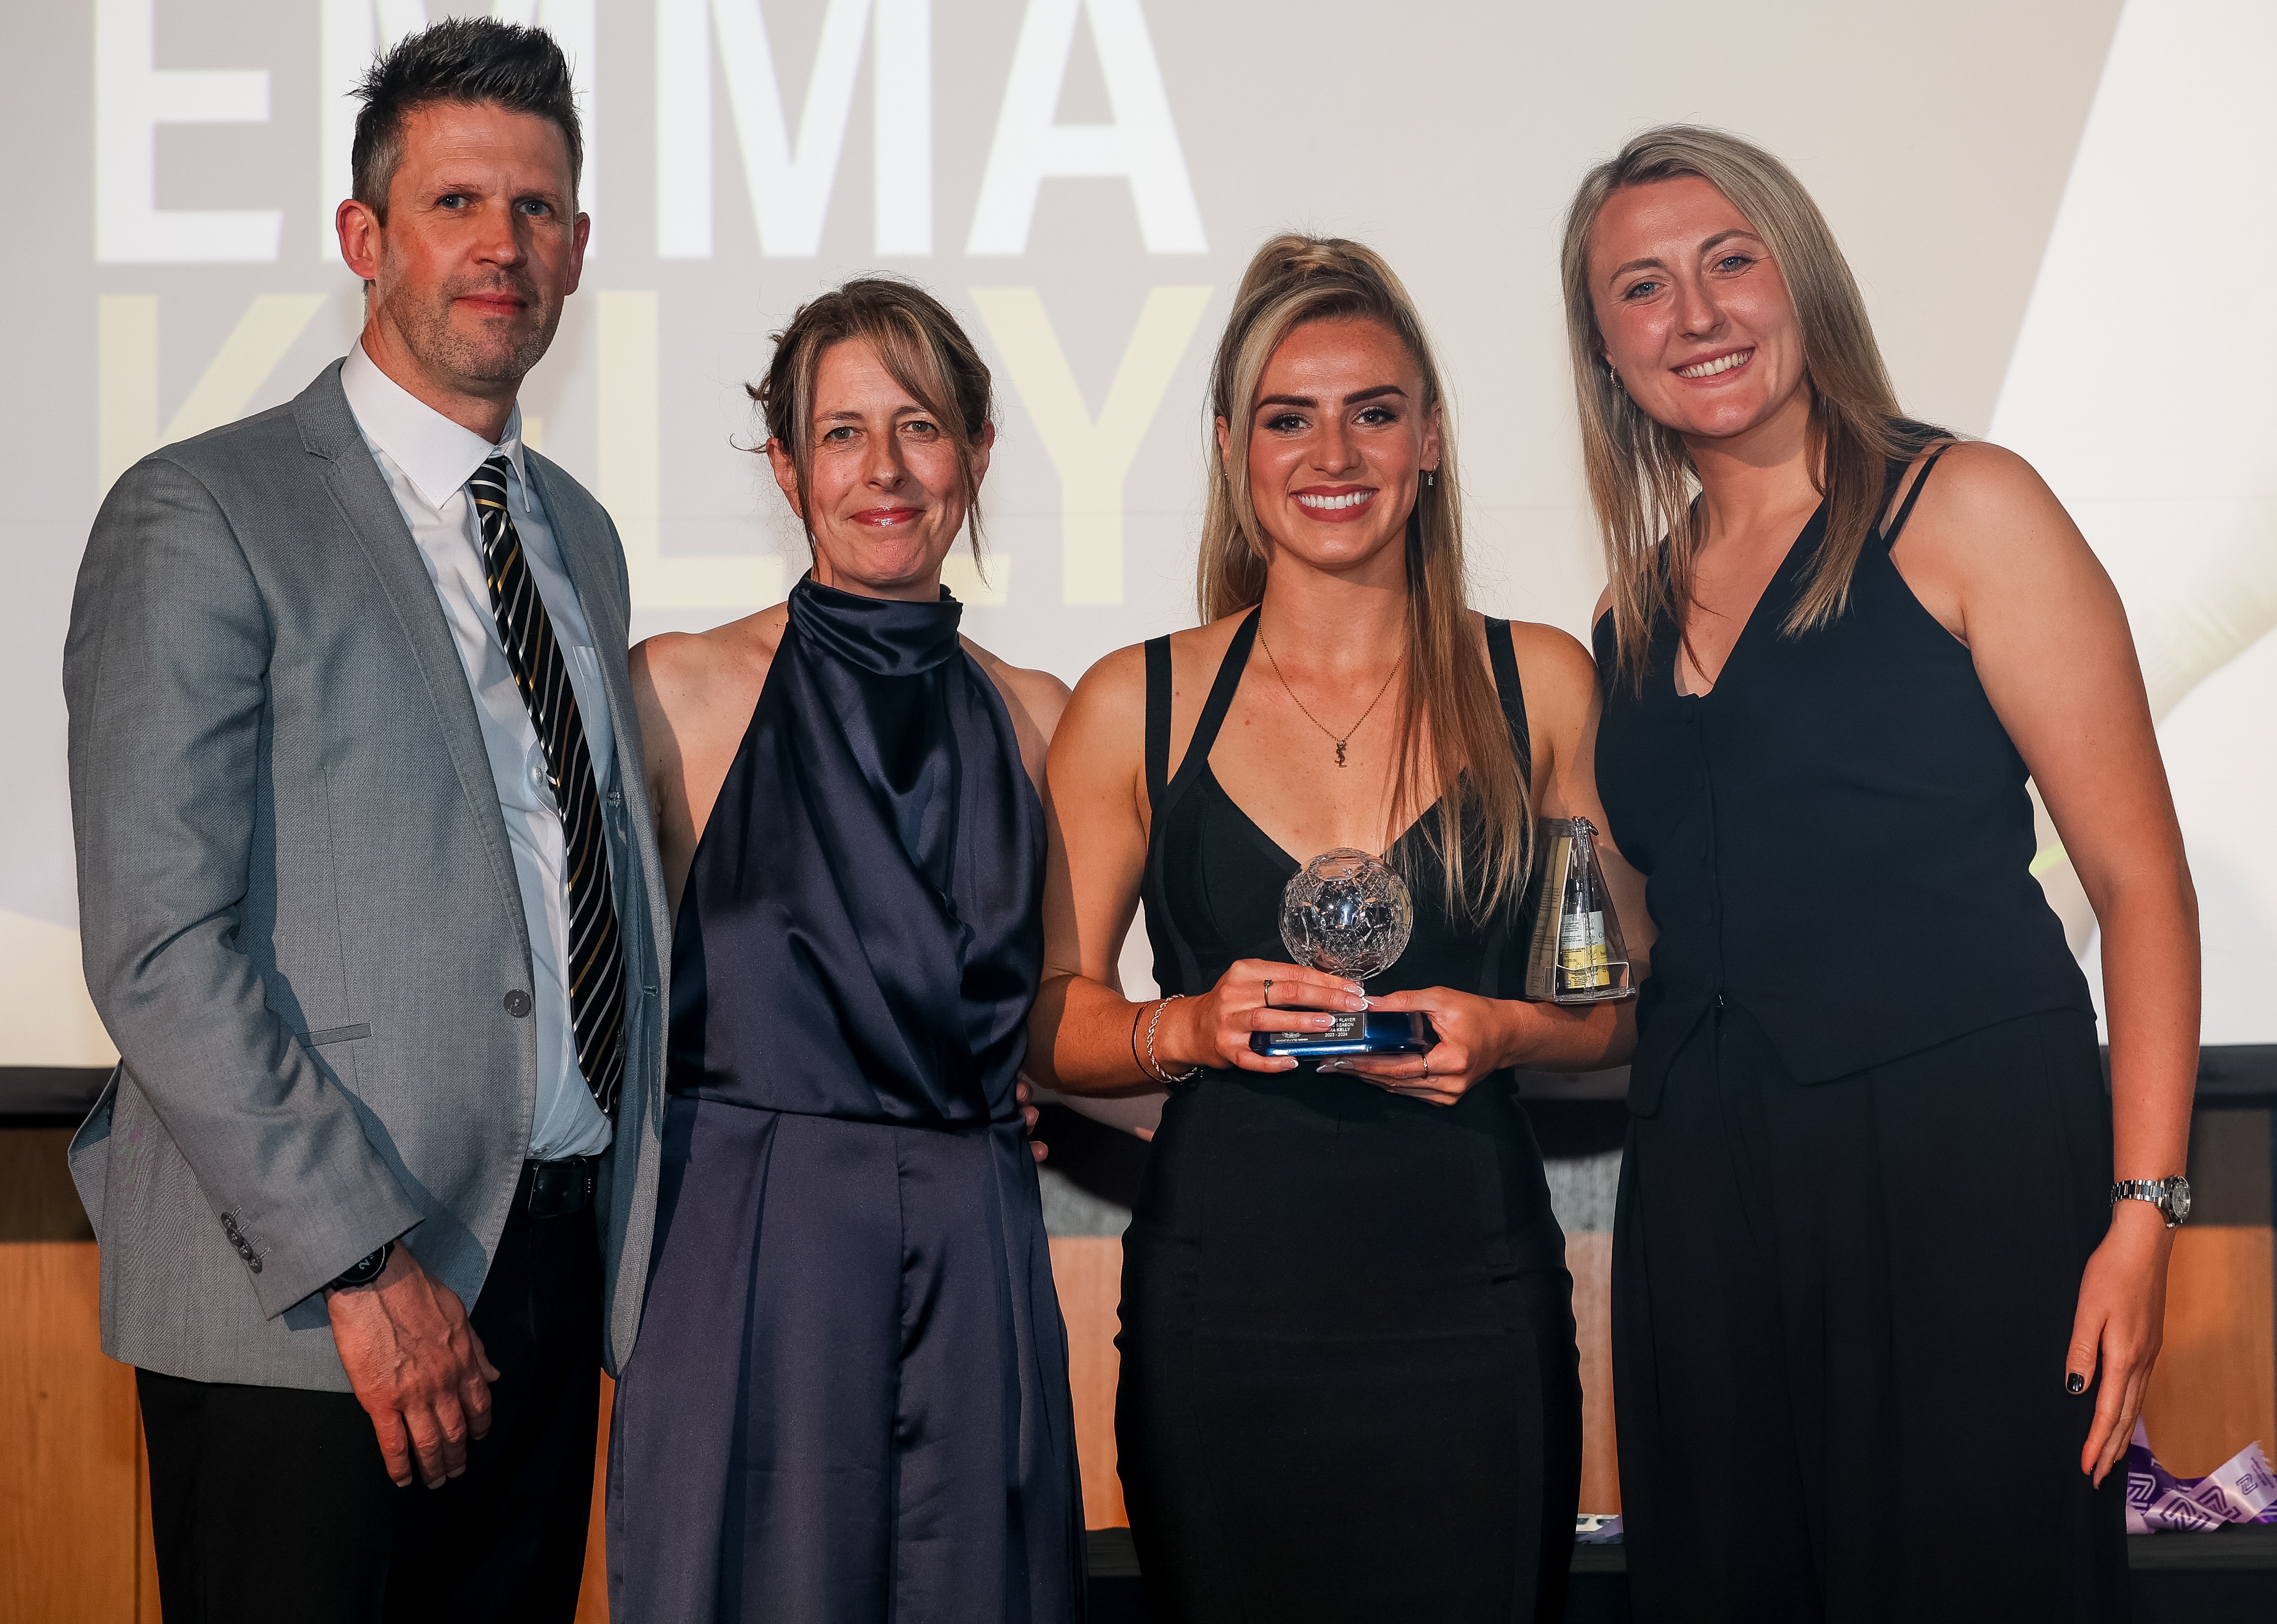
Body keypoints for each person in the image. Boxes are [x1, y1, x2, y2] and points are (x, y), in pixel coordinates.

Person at [62, 19, 665, 1621]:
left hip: (545, 1273)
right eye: (457, 202)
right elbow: (159, 943)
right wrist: (365, 1263)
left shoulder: (579, 541)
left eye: (537, 211)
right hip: (318, 1306)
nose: (502, 247)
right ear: (364, 238)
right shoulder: (203, 512)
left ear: (581, 251)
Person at [1563, 125, 2199, 1622]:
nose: (1698, 313)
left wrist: (2144, 1214)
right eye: (1643, 289)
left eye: (1732, 261)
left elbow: (2142, 886)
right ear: (1605, 348)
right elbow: (1664, 937)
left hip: (1963, 1181)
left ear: (1804, 277)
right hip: (1707, 1207)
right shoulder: (1627, 610)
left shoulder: (1968, 507)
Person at [1029, 235, 1642, 1623]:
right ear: (1236, 451)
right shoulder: (1135, 703)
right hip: (1221, 1314)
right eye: (1288, 417)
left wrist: (1506, 1034)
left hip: (1474, 1309)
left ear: (1430, 440)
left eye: (1374, 410)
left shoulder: (1535, 683)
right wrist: (1178, 1027)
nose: (1336, 451)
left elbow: (1620, 1007)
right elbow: (1044, 1017)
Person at [607, 278, 1085, 1623]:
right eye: (841, 433)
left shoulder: (1044, 719)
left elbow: (1075, 1023)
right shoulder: (675, 692)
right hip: (743, 1248)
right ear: (786, 464)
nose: (883, 469)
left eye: (920, 427)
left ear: (977, 453)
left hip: (978, 1245)